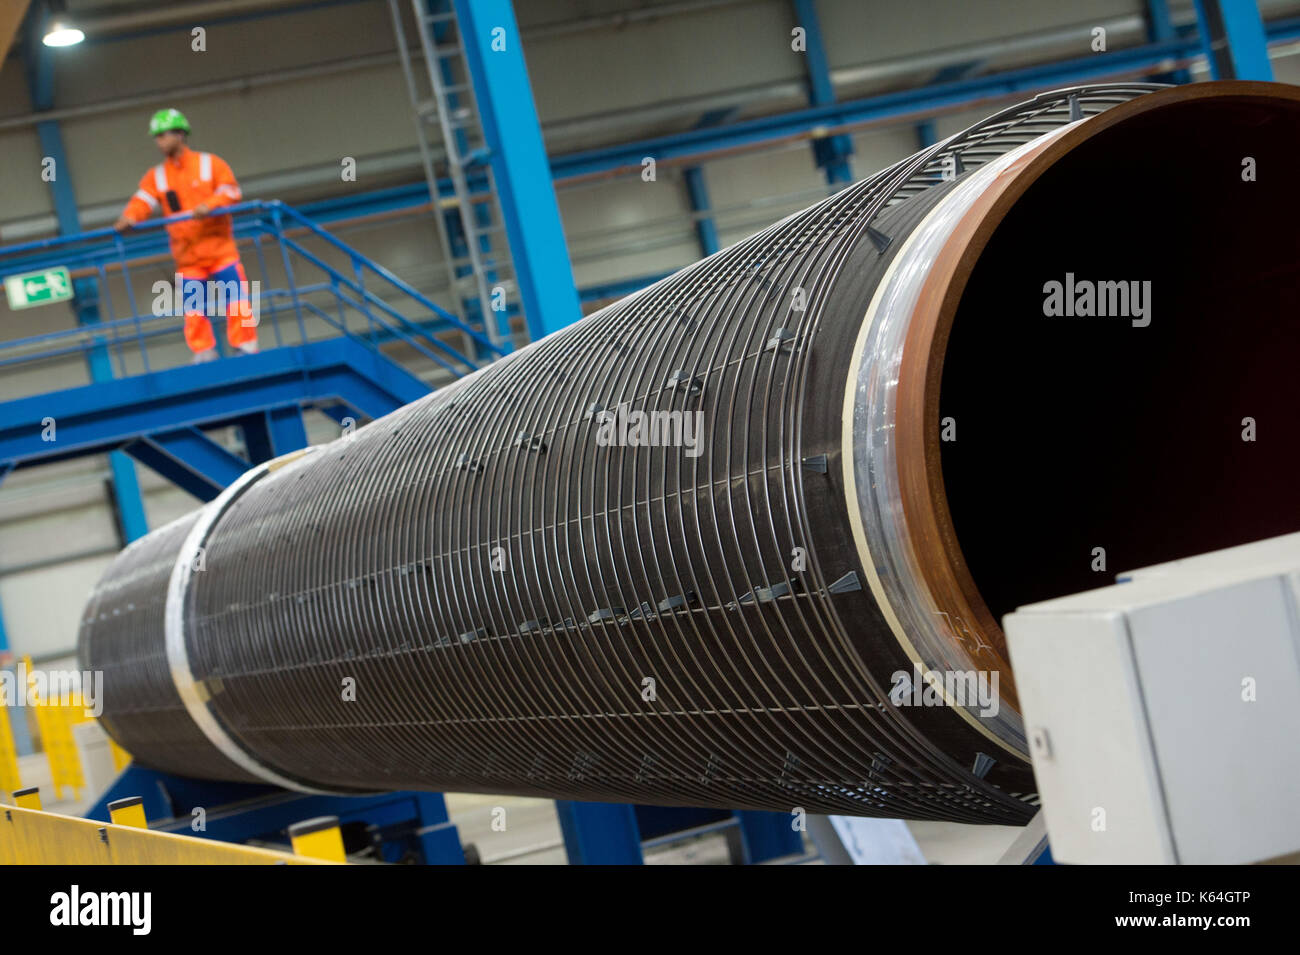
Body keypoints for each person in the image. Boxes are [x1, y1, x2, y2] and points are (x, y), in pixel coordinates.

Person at [114, 108, 257, 362]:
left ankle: (245, 344)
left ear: (180, 134)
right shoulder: (156, 176)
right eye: (156, 137)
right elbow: (142, 201)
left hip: (219, 249)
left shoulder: (209, 164)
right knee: (193, 307)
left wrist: (209, 205)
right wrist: (130, 218)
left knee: (236, 299)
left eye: (162, 135)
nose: (158, 142)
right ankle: (203, 350)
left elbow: (231, 191)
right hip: (187, 256)